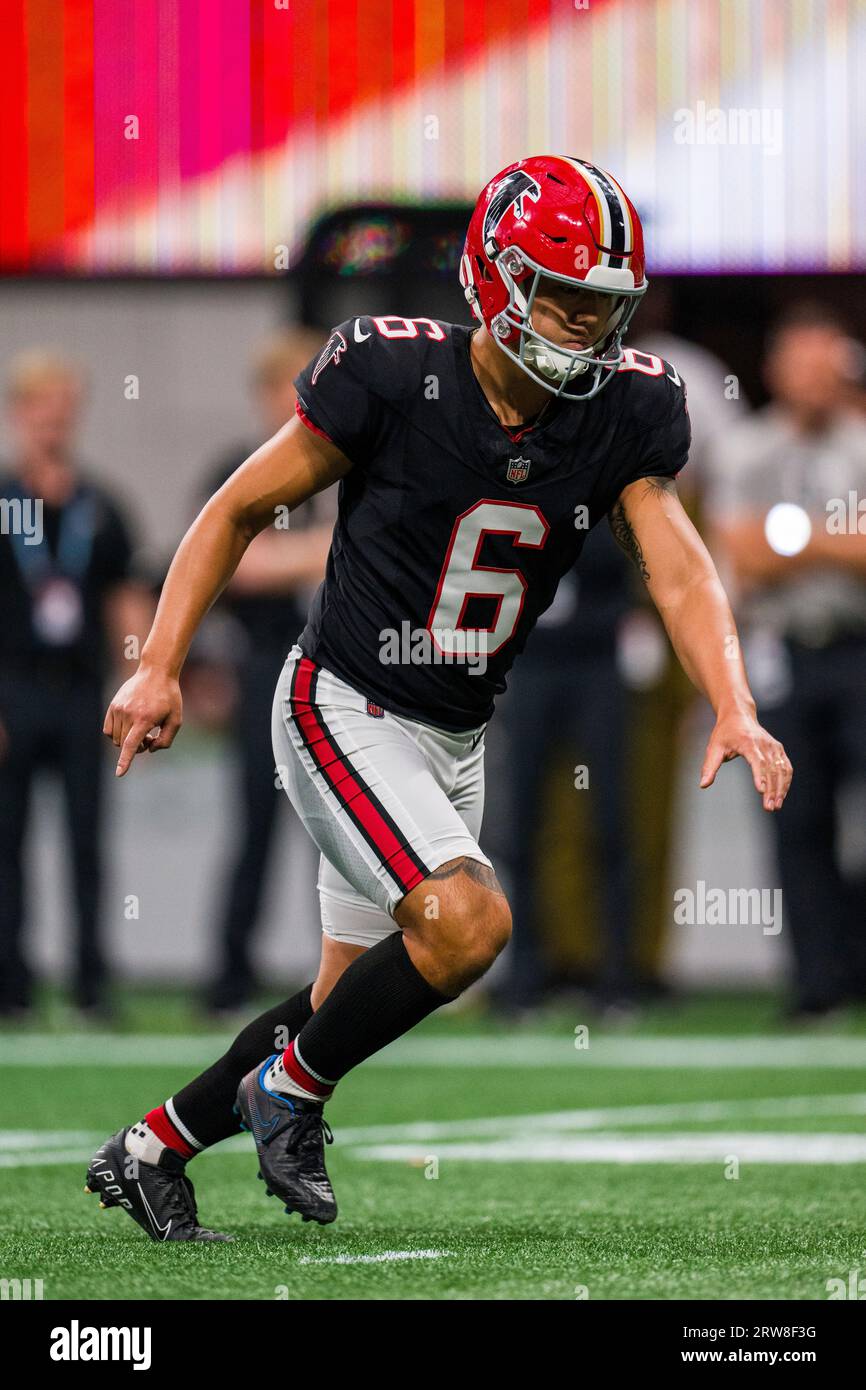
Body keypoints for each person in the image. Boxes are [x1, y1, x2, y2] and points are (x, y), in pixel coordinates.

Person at [85, 156, 791, 1241]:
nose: (582, 328)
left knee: (343, 1001)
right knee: (468, 924)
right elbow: (232, 508)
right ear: (493, 277)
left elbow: (682, 567)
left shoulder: (626, 410)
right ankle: (288, 1093)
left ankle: (152, 1148)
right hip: (342, 703)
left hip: (454, 728)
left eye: (603, 307)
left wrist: (732, 703)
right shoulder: (389, 374)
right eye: (562, 298)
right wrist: (159, 658)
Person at [707, 304, 866, 1019]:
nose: (814, 378)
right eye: (801, 363)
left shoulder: (861, 442)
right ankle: (818, 986)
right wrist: (835, 541)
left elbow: (777, 545)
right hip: (783, 658)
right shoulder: (743, 448)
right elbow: (738, 553)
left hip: (858, 652)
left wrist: (791, 538)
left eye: (826, 362)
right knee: (795, 823)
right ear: (775, 371)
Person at [0, 351, 152, 1019]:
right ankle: (12, 985)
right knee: (7, 845)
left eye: (64, 403)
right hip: (11, 692)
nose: (53, 418)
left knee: (87, 843)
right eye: (41, 404)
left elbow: (127, 604)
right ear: (19, 413)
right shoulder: (4, 504)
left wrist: (140, 681)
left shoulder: (102, 507)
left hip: (82, 696)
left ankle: (92, 982)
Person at [200, 330, 335, 1015]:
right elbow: (239, 565)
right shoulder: (241, 469)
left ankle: (340, 985)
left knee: (338, 835)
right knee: (253, 824)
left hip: (332, 672)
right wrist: (318, 551)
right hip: (262, 668)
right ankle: (229, 975)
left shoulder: (338, 469)